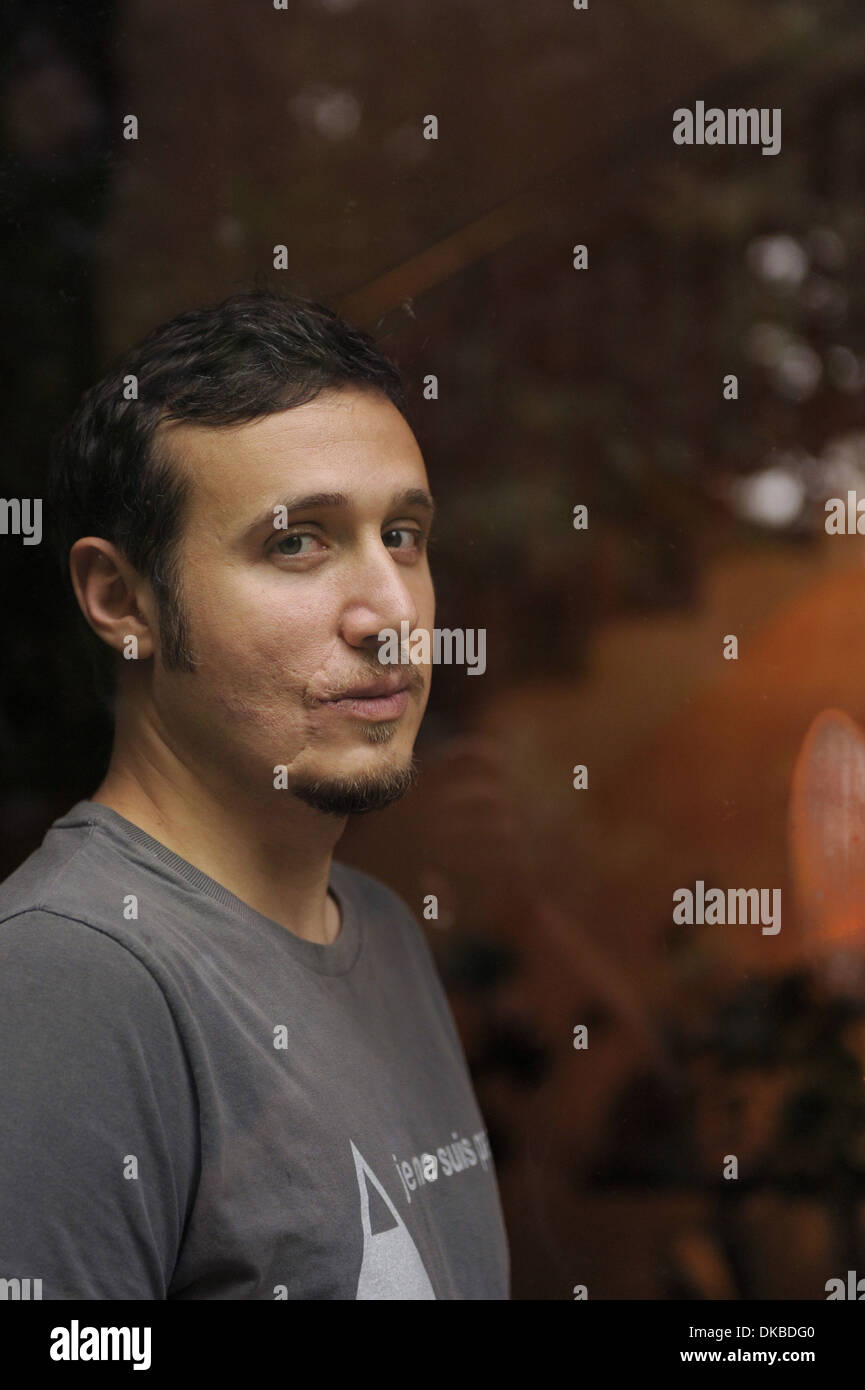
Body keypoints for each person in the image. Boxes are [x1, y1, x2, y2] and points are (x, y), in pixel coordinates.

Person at [0, 290, 510, 1300]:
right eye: (297, 542)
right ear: (122, 600)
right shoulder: (66, 980)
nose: (392, 613)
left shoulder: (378, 929)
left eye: (402, 535)